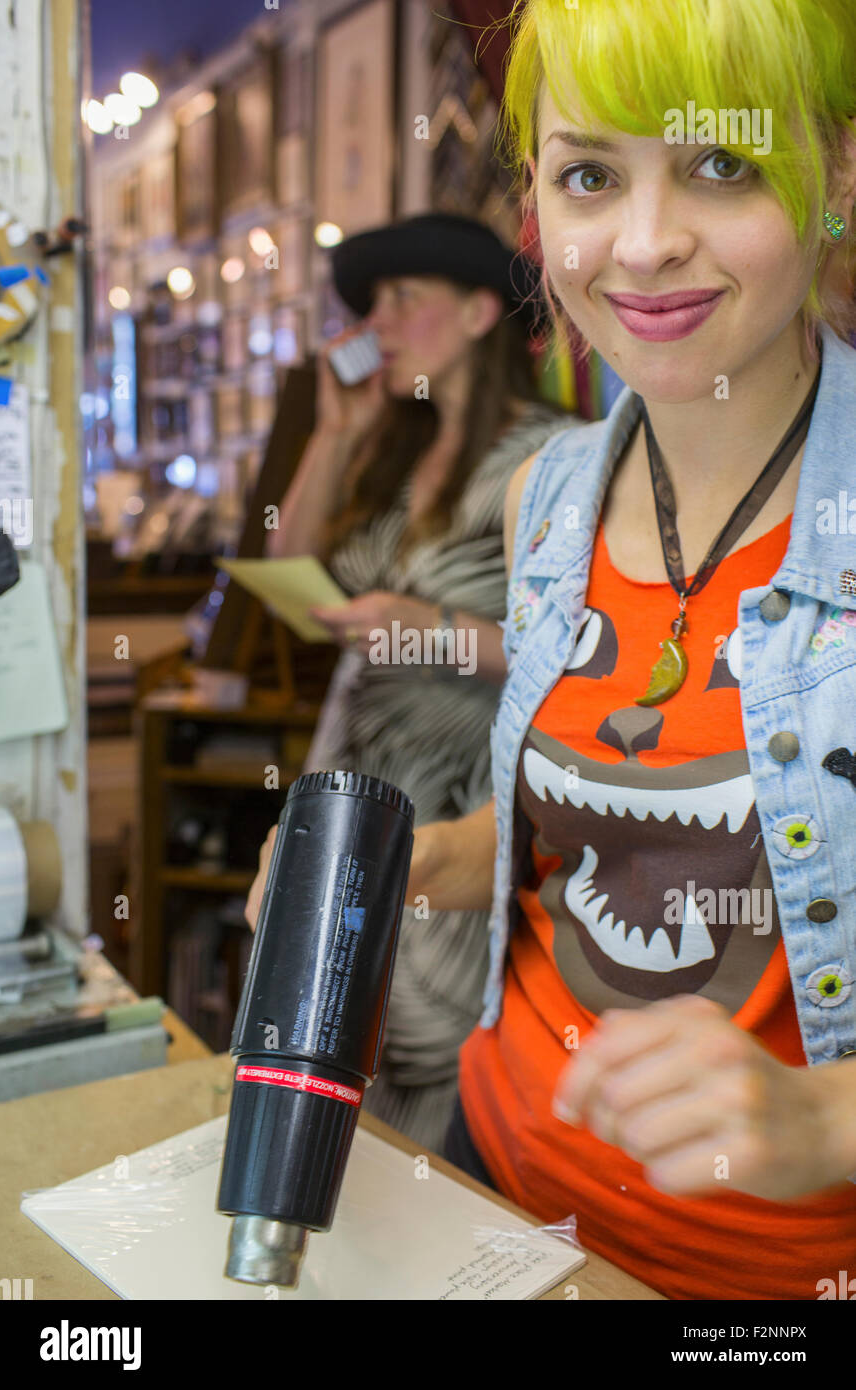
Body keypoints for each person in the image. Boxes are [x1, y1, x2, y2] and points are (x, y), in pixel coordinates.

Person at [401, 0, 856, 1300]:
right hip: (490, 1197)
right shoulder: (544, 496)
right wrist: (416, 861)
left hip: (760, 1279)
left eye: (720, 162)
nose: (644, 244)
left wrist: (823, 1121)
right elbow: (596, 835)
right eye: (590, 175)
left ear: (834, 175)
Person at [247, 213, 571, 1153]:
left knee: (423, 1041)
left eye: (401, 299)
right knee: (334, 1025)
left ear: (478, 312)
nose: (375, 324)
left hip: (461, 798)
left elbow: (580, 649)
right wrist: (335, 433)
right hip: (359, 769)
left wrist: (432, 631)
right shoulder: (396, 448)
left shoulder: (554, 460)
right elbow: (288, 572)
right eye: (371, 305)